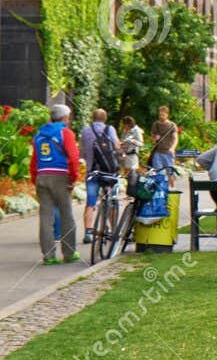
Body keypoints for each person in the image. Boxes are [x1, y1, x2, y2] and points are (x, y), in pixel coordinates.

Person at [30, 103, 81, 264]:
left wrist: (35, 179)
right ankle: (69, 253)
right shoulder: (65, 133)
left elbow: (34, 161)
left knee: (46, 216)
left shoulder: (39, 135)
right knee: (66, 215)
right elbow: (73, 158)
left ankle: (48, 256)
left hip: (42, 176)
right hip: (60, 177)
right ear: (65, 118)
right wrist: (73, 178)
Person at [79, 108, 121, 243]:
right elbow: (117, 147)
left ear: (93, 117)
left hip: (92, 172)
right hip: (109, 173)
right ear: (105, 119)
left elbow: (82, 152)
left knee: (90, 203)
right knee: (111, 199)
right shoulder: (110, 129)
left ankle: (88, 233)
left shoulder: (86, 131)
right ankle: (114, 230)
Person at [150, 106, 179, 183]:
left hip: (168, 152)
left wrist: (172, 148)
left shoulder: (172, 125)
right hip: (158, 152)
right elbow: (152, 137)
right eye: (159, 115)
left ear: (167, 115)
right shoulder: (155, 124)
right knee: (158, 171)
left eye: (163, 115)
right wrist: (155, 137)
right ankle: (161, 188)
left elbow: (175, 138)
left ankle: (172, 188)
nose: (161, 116)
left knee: (170, 172)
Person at [119, 115, 144, 187]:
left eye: (124, 124)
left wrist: (132, 141)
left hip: (133, 155)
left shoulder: (136, 131)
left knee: (132, 174)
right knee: (126, 173)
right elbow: (122, 141)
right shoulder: (125, 131)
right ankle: (128, 192)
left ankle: (132, 192)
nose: (123, 126)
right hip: (125, 154)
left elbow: (141, 143)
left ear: (128, 124)